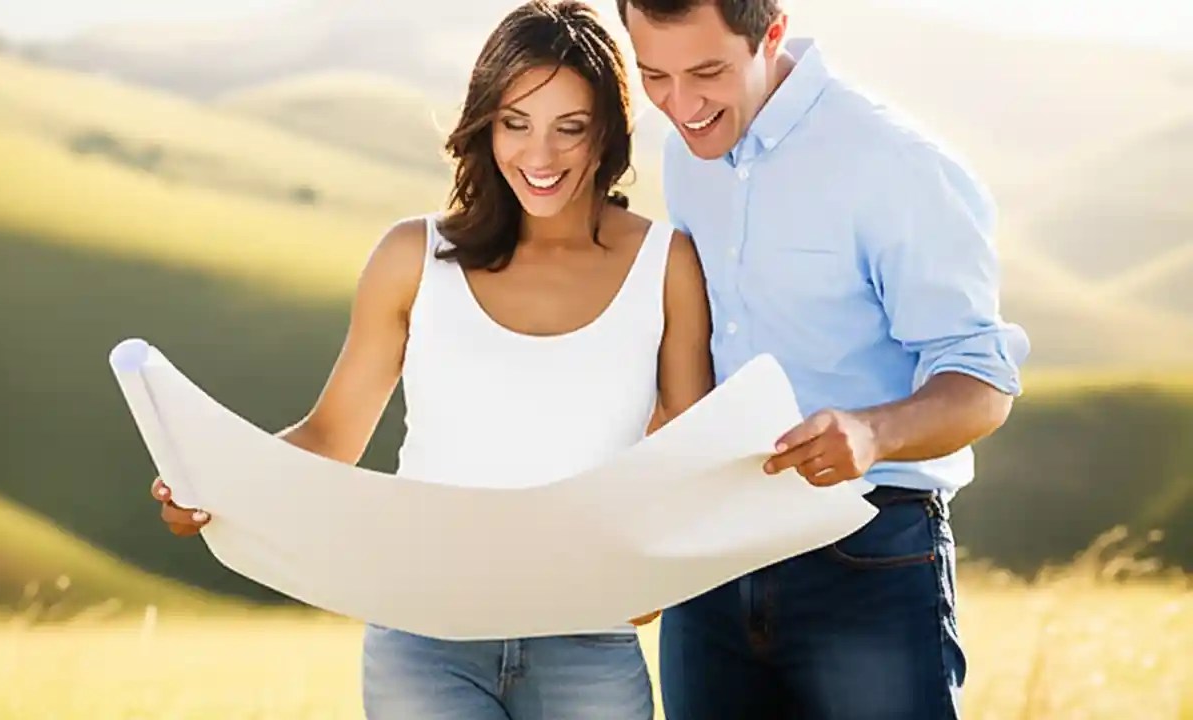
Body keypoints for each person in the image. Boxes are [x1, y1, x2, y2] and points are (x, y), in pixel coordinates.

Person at [150, 1, 713, 718]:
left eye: (569, 129)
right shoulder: (413, 258)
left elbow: (691, 457)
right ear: (484, 124)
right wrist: (216, 482)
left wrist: (654, 578)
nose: (539, 157)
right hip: (424, 640)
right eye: (515, 125)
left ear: (608, 133)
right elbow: (330, 439)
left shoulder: (666, 265)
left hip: (587, 643)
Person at [615, 1, 1030, 718]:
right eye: (655, 75)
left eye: (707, 72)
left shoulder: (893, 163)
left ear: (770, 34)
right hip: (716, 554)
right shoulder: (687, 152)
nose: (680, 105)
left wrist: (873, 432)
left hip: (866, 553)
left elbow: (984, 382)